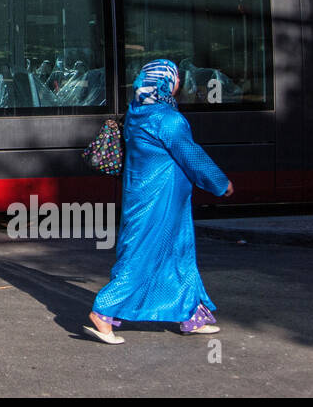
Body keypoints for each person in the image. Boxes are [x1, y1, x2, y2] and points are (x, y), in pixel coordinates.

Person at [85, 59, 233, 345]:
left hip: (149, 198)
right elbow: (192, 156)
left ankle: (191, 313)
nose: (179, 83)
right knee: (143, 256)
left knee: (178, 252)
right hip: (158, 202)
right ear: (167, 83)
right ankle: (103, 311)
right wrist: (221, 184)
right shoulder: (167, 119)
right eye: (175, 78)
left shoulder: (137, 112)